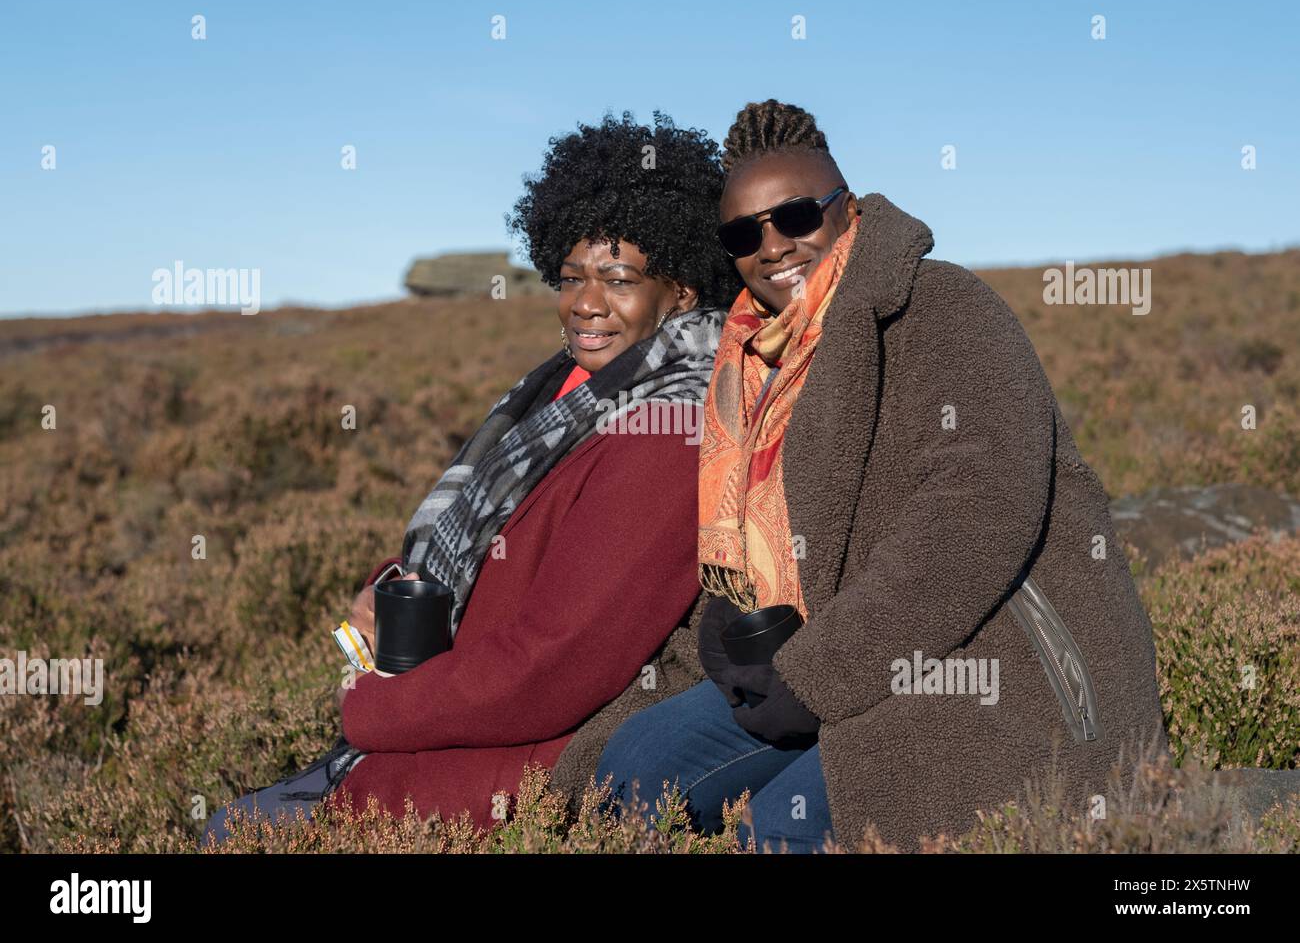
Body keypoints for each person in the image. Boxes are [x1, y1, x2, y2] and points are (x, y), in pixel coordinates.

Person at [596, 100, 1170, 853]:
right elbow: (742, 545)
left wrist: (817, 677)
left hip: (987, 661)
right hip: (827, 652)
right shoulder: (751, 358)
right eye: (744, 233)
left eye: (796, 215)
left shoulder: (941, 305)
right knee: (633, 772)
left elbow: (978, 512)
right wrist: (732, 645)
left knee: (784, 829)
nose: (772, 247)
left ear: (848, 209)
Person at [202, 111, 741, 846]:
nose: (585, 303)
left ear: (680, 290)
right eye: (571, 276)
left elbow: (556, 666)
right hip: (462, 724)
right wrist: (394, 587)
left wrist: (373, 709)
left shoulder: (667, 428)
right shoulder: (564, 385)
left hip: (525, 767)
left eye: (617, 279)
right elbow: (494, 533)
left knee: (233, 833)